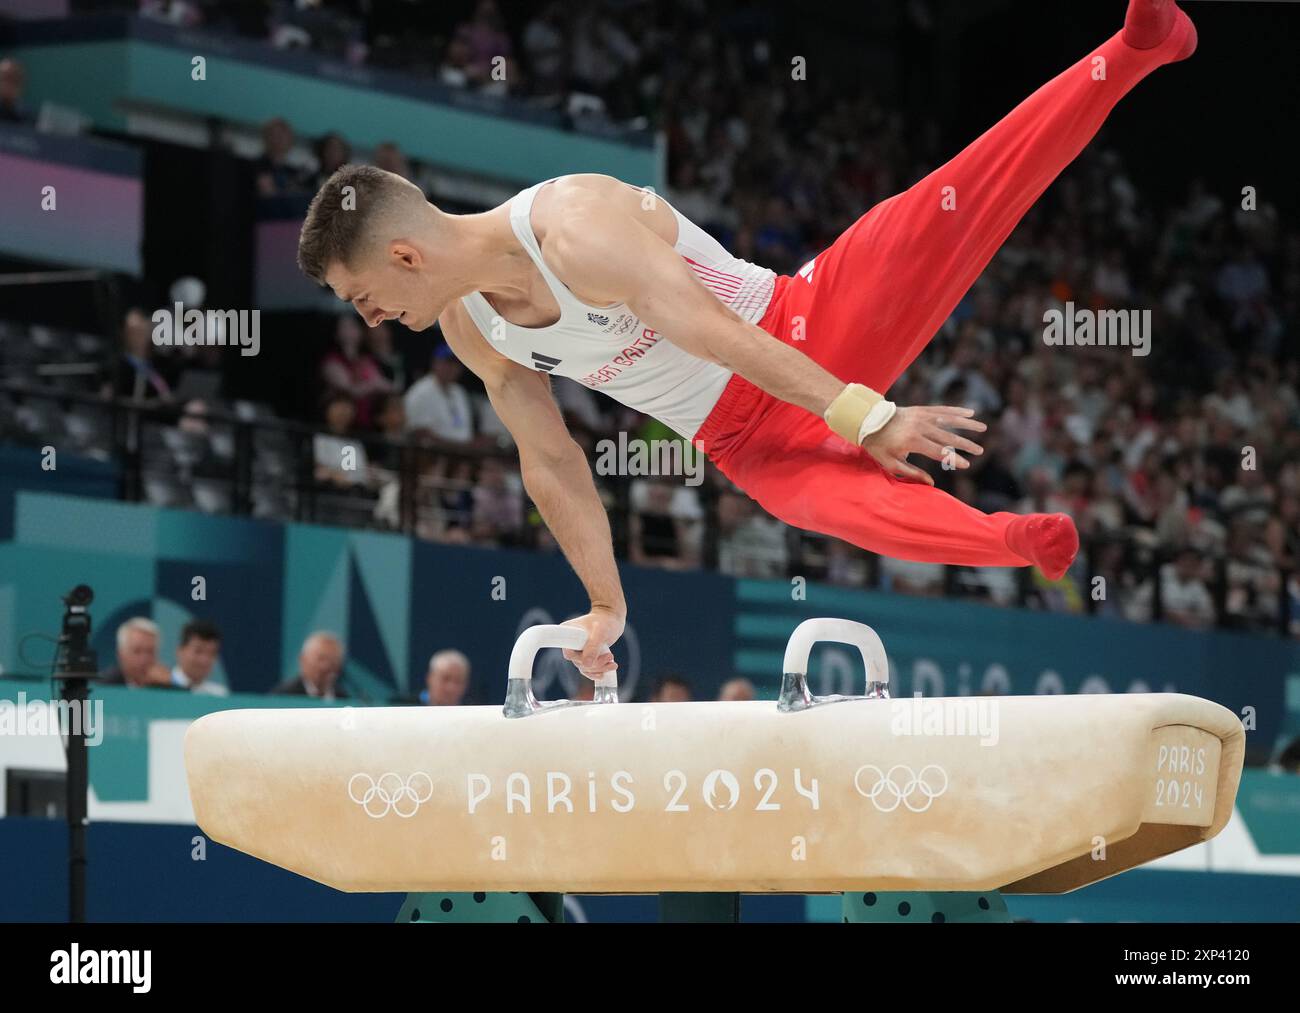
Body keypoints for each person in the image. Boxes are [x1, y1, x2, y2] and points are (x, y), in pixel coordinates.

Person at [297, 0, 1198, 682]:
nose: (371, 319)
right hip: (743, 441)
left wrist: (868, 413)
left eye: (364, 296)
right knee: (827, 506)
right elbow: (552, 460)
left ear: (406, 253)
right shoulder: (469, 325)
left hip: (805, 325)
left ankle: (1133, 52)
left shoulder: (574, 225)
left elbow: (716, 332)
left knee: (966, 196)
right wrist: (607, 603)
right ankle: (1010, 540)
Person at [272, 632, 348, 699]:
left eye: (333, 659)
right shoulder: (284, 696)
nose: (327, 666)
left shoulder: (344, 699)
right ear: (303, 660)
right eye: (321, 659)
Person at [98, 618, 169, 687]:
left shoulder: (164, 685)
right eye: (137, 651)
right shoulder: (103, 686)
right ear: (121, 654)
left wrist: (166, 687)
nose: (144, 659)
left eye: (150, 651)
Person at [168, 619, 229, 696]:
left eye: (211, 653)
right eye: (198, 651)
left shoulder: (220, 694)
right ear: (180, 651)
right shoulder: (158, 686)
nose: (204, 660)